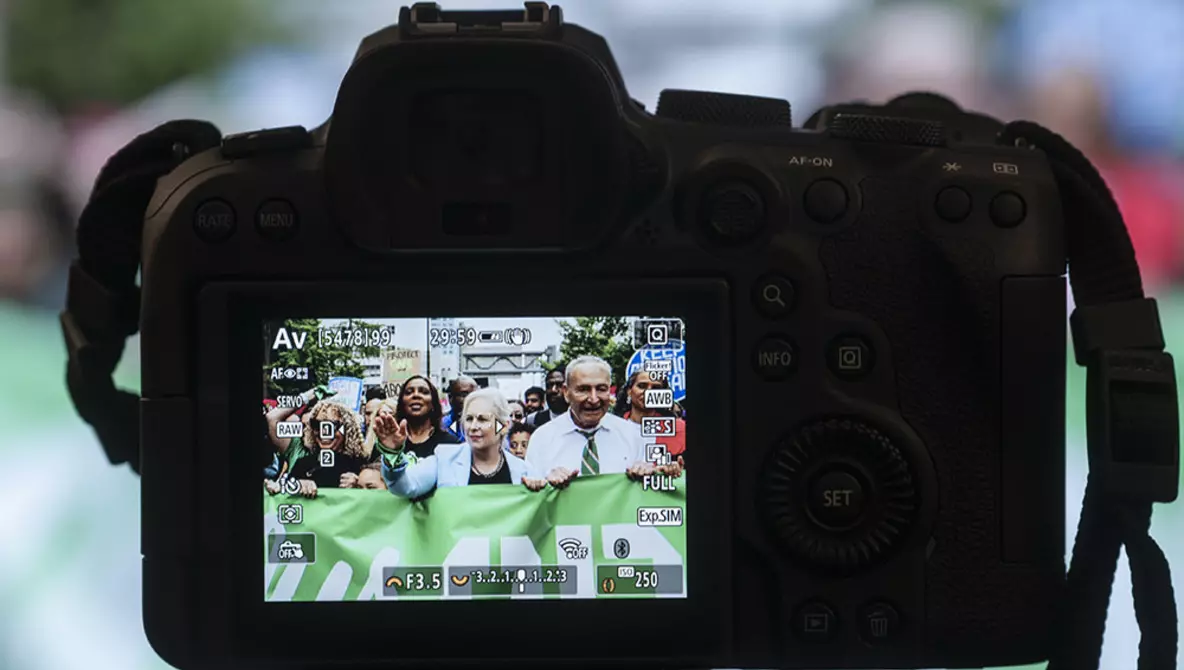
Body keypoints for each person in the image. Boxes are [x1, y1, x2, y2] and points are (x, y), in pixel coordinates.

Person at [525, 356, 682, 489]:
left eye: (601, 389)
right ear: (566, 393)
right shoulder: (542, 438)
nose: (593, 399)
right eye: (583, 389)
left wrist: (664, 474)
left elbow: (648, 499)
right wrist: (545, 484)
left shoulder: (631, 435)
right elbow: (532, 502)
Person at [375, 388, 542, 498]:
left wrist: (546, 485)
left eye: (483, 419)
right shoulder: (444, 459)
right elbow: (404, 487)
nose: (473, 427)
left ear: (503, 426)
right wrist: (393, 455)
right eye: (469, 419)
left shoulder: (523, 471)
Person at [264, 386, 370, 498]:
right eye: (317, 425)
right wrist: (298, 485)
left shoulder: (362, 463)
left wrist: (360, 484)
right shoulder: (303, 462)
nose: (324, 432)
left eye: (332, 425)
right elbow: (272, 418)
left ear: (348, 428)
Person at [366, 375, 461, 461]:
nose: (416, 395)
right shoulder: (387, 439)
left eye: (424, 392)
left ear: (433, 403)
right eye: (409, 392)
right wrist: (390, 452)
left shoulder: (449, 443)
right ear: (402, 403)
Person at [614, 369, 686, 459]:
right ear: (629, 391)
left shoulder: (680, 429)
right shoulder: (613, 426)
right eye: (642, 386)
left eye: (656, 388)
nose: (648, 392)